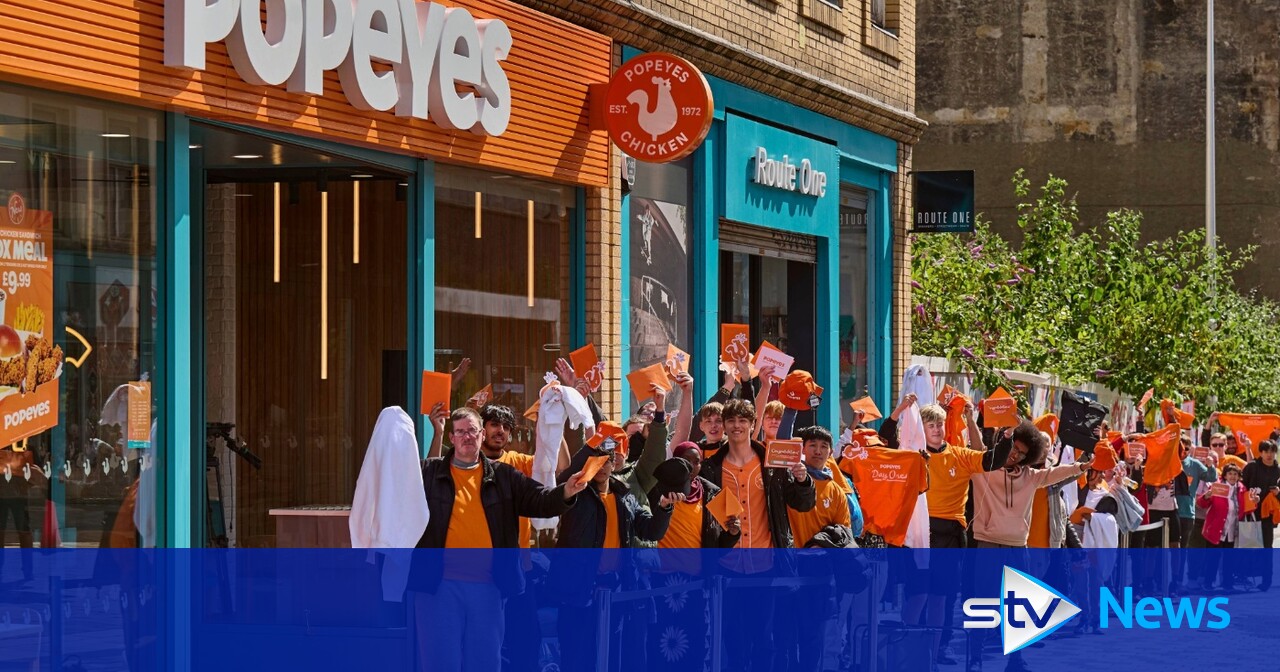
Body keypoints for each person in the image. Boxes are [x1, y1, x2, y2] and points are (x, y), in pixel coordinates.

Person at [410, 408, 588, 672]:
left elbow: (539, 500)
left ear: (481, 435)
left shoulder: (505, 475)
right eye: (460, 431)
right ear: (452, 436)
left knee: (484, 662)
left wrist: (566, 492)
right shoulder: (428, 473)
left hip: (489, 588)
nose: (467, 436)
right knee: (439, 662)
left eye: (472, 430)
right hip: (438, 587)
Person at [879, 398, 1012, 662]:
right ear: (922, 428)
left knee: (940, 597)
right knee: (918, 595)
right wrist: (899, 411)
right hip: (920, 532)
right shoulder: (913, 453)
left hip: (951, 533)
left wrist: (1007, 434)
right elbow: (886, 439)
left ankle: (932, 655)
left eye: (940, 423)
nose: (938, 429)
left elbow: (992, 460)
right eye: (931, 425)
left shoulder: (960, 455)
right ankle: (907, 655)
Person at [700, 398, 815, 672]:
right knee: (732, 642)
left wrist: (802, 480)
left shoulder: (772, 463)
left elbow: (802, 503)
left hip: (767, 566)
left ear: (753, 425)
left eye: (743, 421)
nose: (737, 426)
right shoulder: (711, 468)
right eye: (731, 421)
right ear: (725, 426)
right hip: (726, 567)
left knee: (765, 640)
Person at [553, 436, 678, 672]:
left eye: (607, 462)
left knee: (613, 656)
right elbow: (560, 482)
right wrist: (595, 440)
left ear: (614, 465)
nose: (602, 467)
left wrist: (663, 508)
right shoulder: (574, 494)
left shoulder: (625, 496)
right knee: (577, 656)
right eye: (596, 462)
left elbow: (651, 531)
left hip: (616, 591)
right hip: (579, 591)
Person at [1197, 463, 1248, 592]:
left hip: (1232, 529)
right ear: (1225, 475)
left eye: (1235, 474)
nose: (1232, 476)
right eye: (1230, 473)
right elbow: (1201, 504)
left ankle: (1227, 584)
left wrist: (1254, 500)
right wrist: (1207, 496)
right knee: (1213, 558)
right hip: (1215, 528)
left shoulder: (1242, 489)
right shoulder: (1217, 487)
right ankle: (1208, 584)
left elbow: (1247, 507)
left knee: (1229, 558)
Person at [1241, 440, 1280, 589]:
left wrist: (1278, 493)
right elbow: (1241, 487)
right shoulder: (1252, 467)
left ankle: (1266, 580)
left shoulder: (1278, 471)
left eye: (1272, 451)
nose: (1269, 455)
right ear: (1261, 453)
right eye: (1266, 451)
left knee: (1266, 547)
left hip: (1267, 517)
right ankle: (1245, 577)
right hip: (1250, 513)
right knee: (1248, 547)